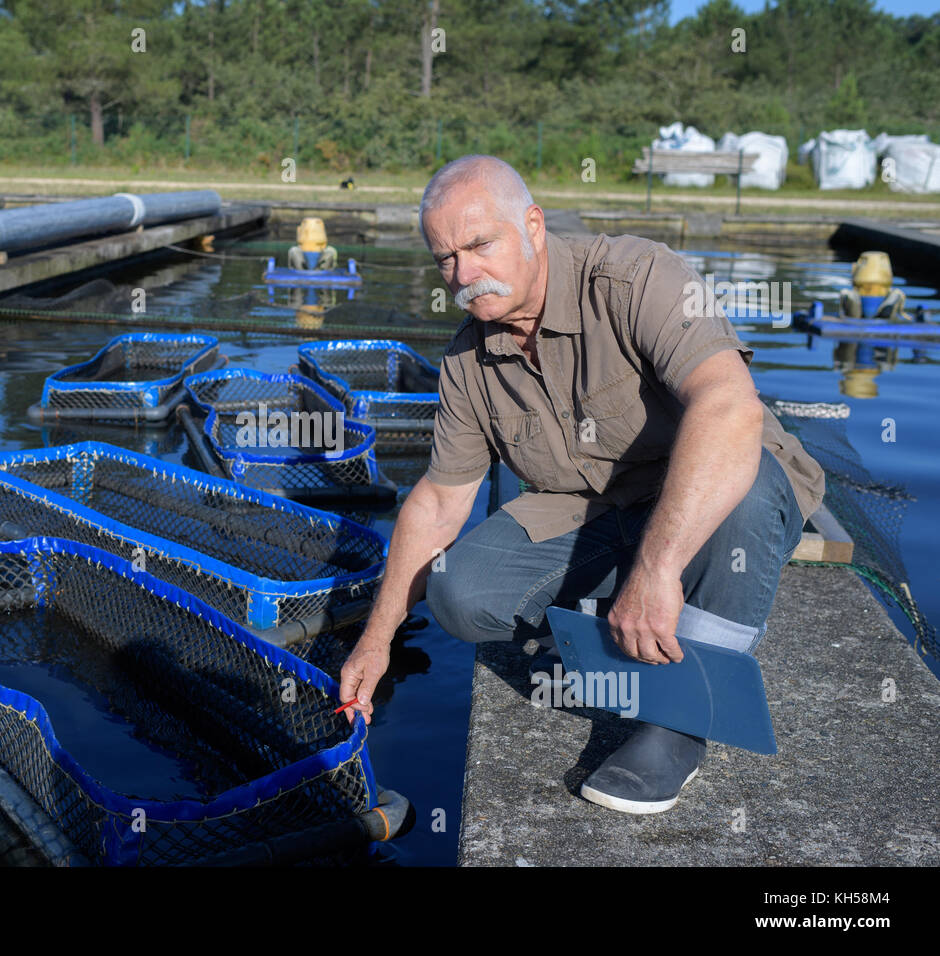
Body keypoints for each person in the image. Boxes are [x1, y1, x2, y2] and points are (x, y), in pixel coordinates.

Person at [338, 155, 825, 814]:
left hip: (710, 489)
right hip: (597, 511)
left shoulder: (637, 276)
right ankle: (626, 617)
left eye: (479, 244)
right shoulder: (466, 357)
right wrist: (377, 638)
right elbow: (440, 499)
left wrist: (656, 569)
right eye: (445, 259)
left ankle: (681, 716)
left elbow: (729, 406)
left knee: (751, 486)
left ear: (533, 226)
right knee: (459, 591)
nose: (463, 275)